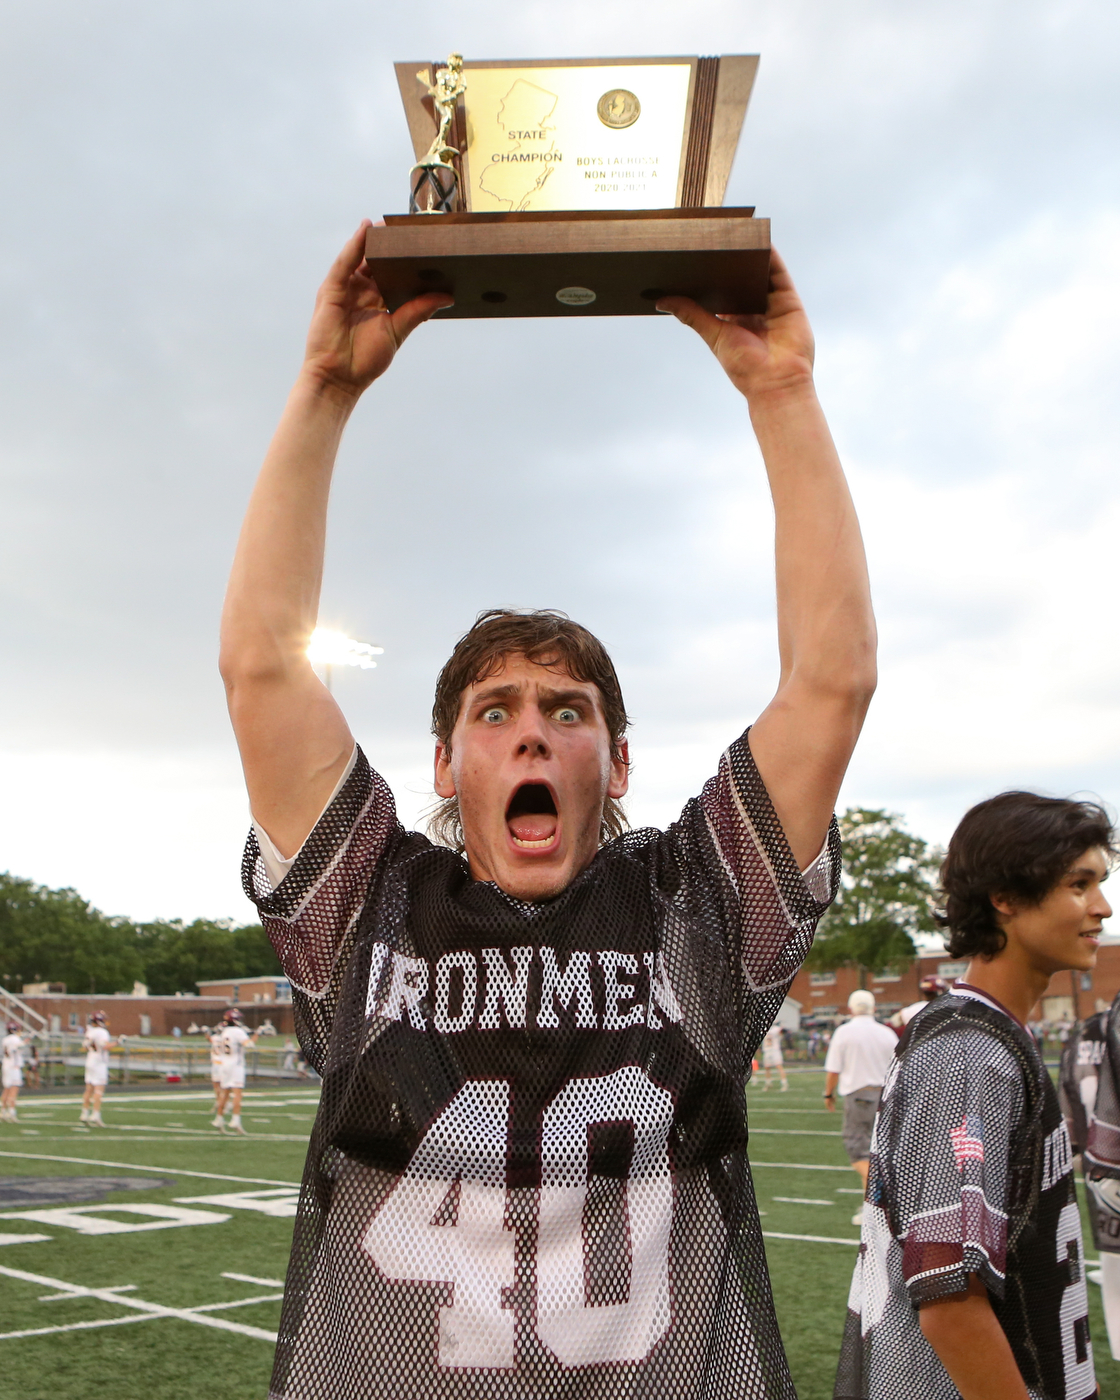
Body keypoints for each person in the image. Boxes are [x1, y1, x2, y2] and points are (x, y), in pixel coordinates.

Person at [221, 227, 876, 1399]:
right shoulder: (373, 903)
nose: (531, 730)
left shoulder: (693, 911)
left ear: (616, 761)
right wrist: (322, 389)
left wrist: (781, 389)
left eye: (566, 710)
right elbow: (262, 666)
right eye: (495, 710)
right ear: (444, 758)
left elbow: (830, 678)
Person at [835, 791, 1112, 1400]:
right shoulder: (968, 1051)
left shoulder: (992, 1034)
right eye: (1078, 884)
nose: (1103, 907)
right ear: (1006, 897)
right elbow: (949, 1296)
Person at [1064, 990, 1120, 1361]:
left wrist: (1074, 1148)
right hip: (1109, 1150)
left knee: (1115, 1265)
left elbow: (1068, 1096)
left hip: (1100, 1162)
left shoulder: (1083, 1032)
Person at [823, 989, 897, 1223]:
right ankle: (877, 1202)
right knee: (882, 1150)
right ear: (874, 1008)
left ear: (851, 1008)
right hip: (886, 1096)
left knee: (859, 1150)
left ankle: (876, 1203)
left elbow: (833, 1068)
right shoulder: (887, 1034)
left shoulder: (844, 1032)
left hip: (859, 1097)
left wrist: (828, 1094)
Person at [213, 1007, 258, 1134]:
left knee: (225, 1093)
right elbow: (248, 1044)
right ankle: (235, 1119)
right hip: (235, 1065)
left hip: (224, 1064)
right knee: (237, 1093)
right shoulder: (237, 1031)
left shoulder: (224, 1031)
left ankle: (219, 1118)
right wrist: (256, 1036)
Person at [80, 1011, 120, 1126]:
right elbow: (105, 1046)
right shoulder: (102, 1032)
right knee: (98, 1090)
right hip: (99, 1062)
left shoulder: (90, 1031)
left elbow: (85, 1046)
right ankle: (95, 1115)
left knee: (88, 1089)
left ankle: (84, 1113)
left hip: (90, 1059)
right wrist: (118, 1042)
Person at [1, 1022, 28, 1122]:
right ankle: (11, 1112)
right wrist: (25, 1042)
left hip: (6, 1065)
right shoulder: (15, 1039)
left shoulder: (5, 1039)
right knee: (14, 1089)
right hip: (14, 1067)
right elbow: (19, 1047)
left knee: (6, 1089)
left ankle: (3, 1111)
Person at [760, 1023, 789, 1091]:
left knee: (779, 1066)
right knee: (767, 1067)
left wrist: (781, 1028)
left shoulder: (775, 1029)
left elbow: (783, 1031)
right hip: (767, 1050)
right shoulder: (764, 1028)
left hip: (775, 1050)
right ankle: (768, 1083)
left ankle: (784, 1083)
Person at [209, 1025, 225, 1119]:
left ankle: (220, 1102)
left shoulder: (214, 1038)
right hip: (222, 1063)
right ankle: (221, 1102)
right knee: (222, 1085)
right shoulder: (226, 1038)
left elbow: (208, 1038)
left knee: (217, 1085)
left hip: (216, 1064)